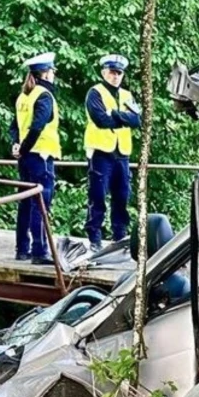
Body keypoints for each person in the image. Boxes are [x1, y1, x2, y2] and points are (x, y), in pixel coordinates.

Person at [84, 53, 141, 252]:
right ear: (103, 73)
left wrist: (115, 114)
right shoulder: (95, 92)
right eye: (112, 72)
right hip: (101, 152)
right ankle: (94, 238)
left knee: (122, 196)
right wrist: (124, 118)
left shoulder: (126, 95)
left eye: (119, 73)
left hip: (122, 153)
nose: (116, 76)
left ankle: (120, 237)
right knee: (98, 195)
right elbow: (101, 120)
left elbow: (137, 121)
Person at [10, 51, 61, 265]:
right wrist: (24, 148)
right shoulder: (44, 95)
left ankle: (22, 249)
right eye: (52, 71)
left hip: (26, 158)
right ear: (46, 73)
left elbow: (15, 126)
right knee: (40, 204)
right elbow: (37, 127)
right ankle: (39, 251)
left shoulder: (24, 96)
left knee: (25, 202)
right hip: (41, 155)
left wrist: (17, 144)